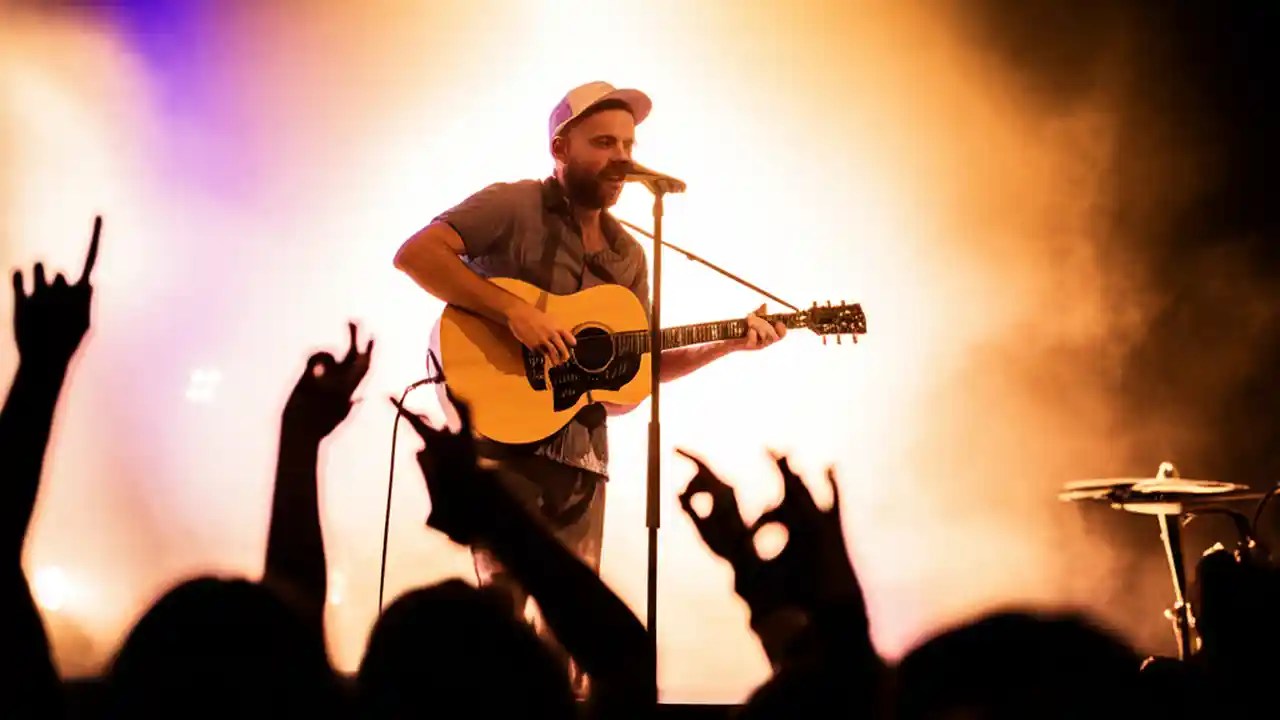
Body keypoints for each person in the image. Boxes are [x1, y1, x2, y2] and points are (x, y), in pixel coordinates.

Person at [393, 80, 786, 676]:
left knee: (574, 642)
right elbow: (417, 255)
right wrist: (513, 311)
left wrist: (727, 343)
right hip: (502, 450)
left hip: (582, 462)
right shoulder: (513, 205)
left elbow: (633, 375)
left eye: (628, 143)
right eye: (603, 142)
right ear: (561, 147)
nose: (622, 157)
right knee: (501, 625)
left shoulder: (629, 254)